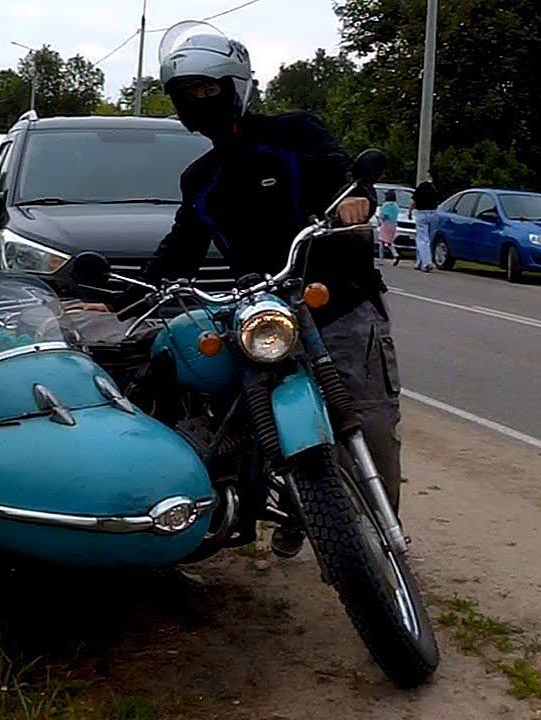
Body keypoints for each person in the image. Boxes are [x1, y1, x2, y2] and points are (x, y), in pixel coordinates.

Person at [140, 22, 403, 557]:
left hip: (337, 301)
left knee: (367, 423)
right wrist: (128, 291)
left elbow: (341, 173)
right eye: (186, 93)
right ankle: (295, 504)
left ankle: (383, 546)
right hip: (259, 311)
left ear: (235, 85)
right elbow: (181, 247)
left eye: (208, 88)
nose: (198, 100)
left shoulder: (294, 134)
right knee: (237, 413)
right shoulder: (201, 178)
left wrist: (355, 197)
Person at [411, 169, 441, 272]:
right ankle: (419, 262)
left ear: (429, 175)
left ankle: (426, 263)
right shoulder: (437, 187)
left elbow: (414, 201)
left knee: (422, 239)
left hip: (421, 213)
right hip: (433, 213)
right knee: (428, 239)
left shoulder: (422, 186)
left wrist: (410, 211)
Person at [377, 189, 401, 265]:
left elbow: (383, 215)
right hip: (393, 225)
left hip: (385, 224)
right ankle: (395, 254)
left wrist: (379, 218)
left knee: (381, 242)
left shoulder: (385, 205)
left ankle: (381, 260)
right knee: (389, 242)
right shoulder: (396, 206)